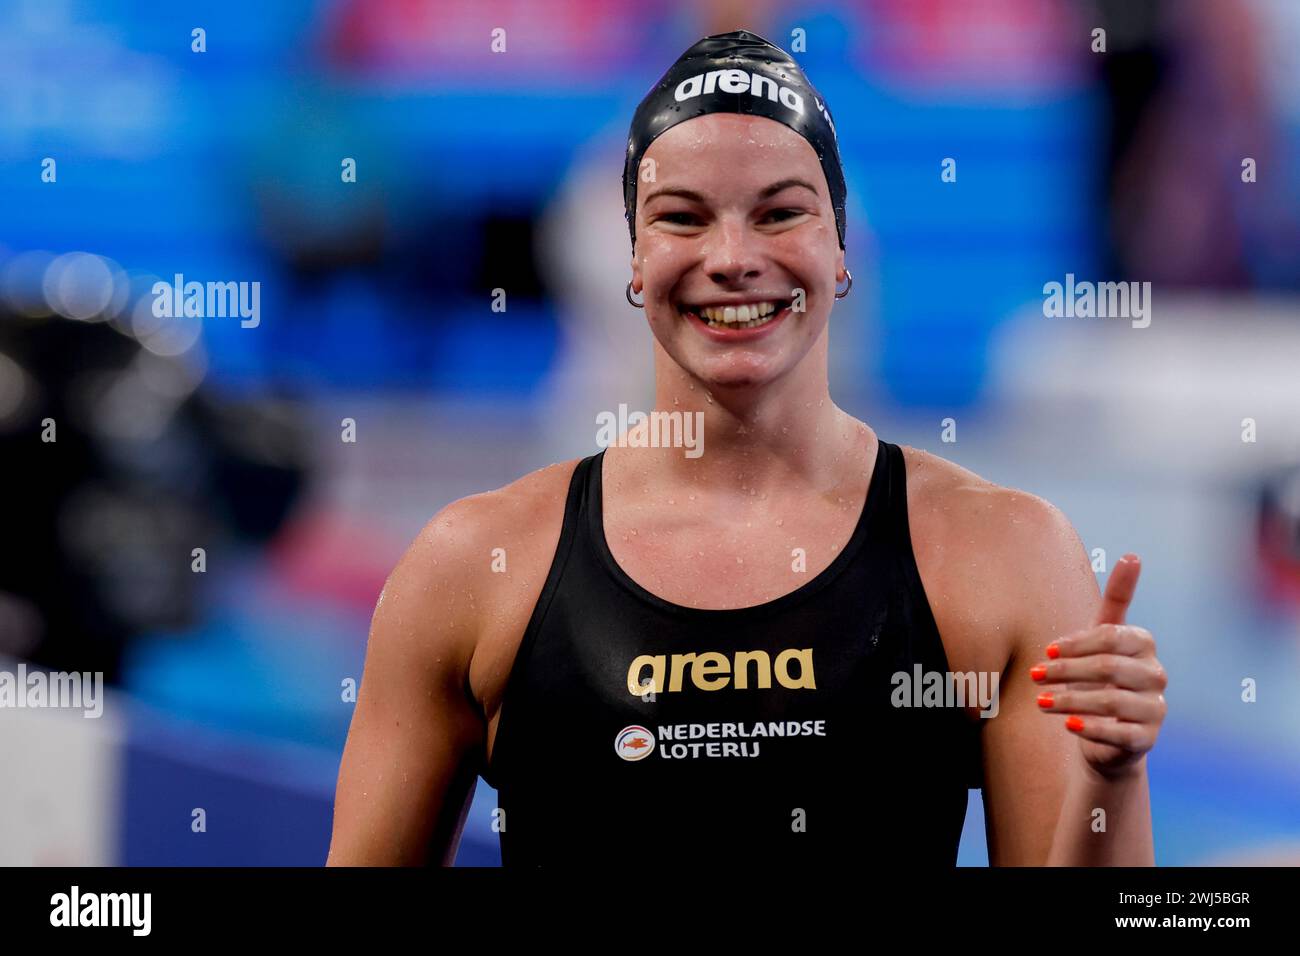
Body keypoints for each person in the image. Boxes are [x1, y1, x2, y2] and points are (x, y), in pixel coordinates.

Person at [326, 30, 1168, 867]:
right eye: (683, 218)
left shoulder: (1000, 555)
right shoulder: (475, 566)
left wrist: (1112, 778)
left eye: (780, 213)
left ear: (841, 251)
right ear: (631, 257)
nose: (733, 259)